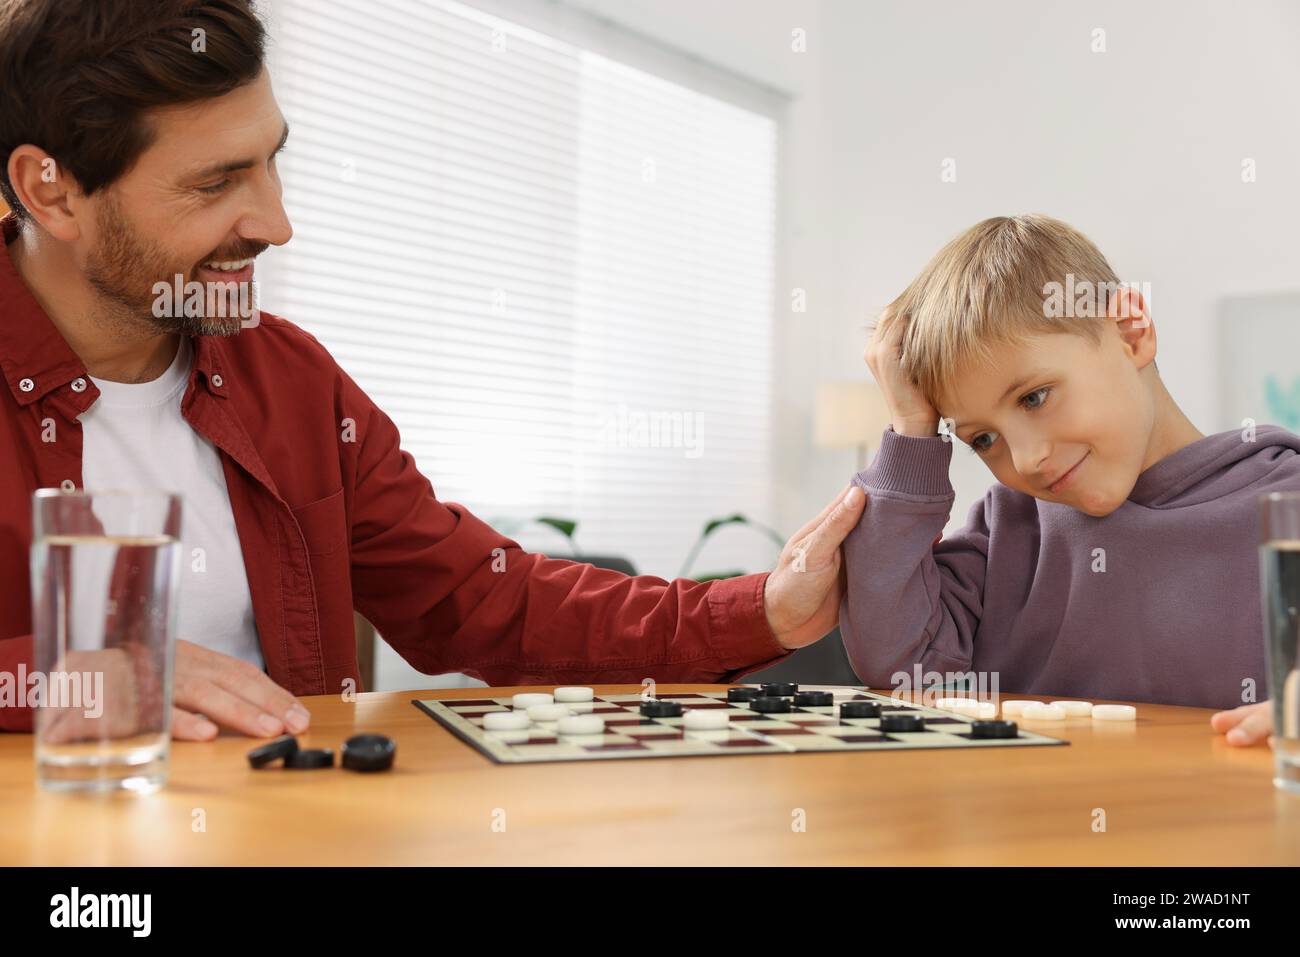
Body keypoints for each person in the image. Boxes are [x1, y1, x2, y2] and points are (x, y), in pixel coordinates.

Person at [0, 0, 866, 739]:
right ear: (51, 192)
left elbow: (484, 600)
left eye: (271, 161)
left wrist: (763, 609)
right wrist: (58, 677)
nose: (275, 221)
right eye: (215, 183)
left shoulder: (291, 379)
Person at [839, 214, 1293, 745]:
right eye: (983, 439)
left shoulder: (1286, 509)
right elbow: (900, 667)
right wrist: (912, 432)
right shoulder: (1007, 524)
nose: (1027, 461)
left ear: (1131, 332)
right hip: (1037, 821)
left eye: (1035, 397)